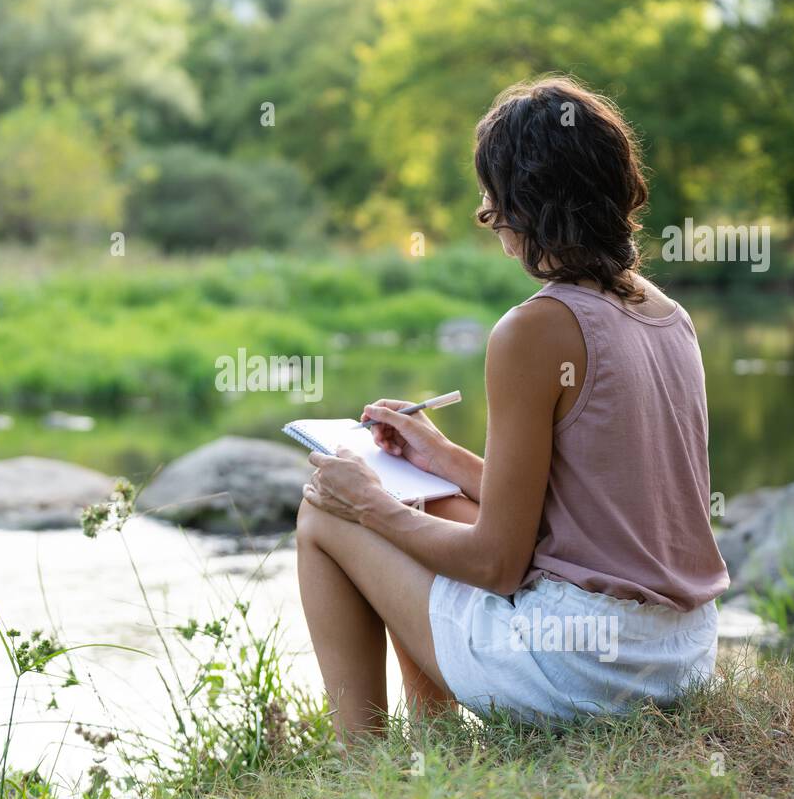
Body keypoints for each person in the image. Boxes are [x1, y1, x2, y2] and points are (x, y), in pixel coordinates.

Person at [297, 75, 729, 741]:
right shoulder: (669, 316)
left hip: (586, 670)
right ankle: (435, 747)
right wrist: (437, 456)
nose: (487, 212)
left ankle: (364, 770)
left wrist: (369, 506)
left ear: (523, 205)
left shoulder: (534, 329)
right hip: (682, 657)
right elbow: (588, 502)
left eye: (492, 197)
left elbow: (498, 562)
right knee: (425, 499)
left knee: (325, 507)